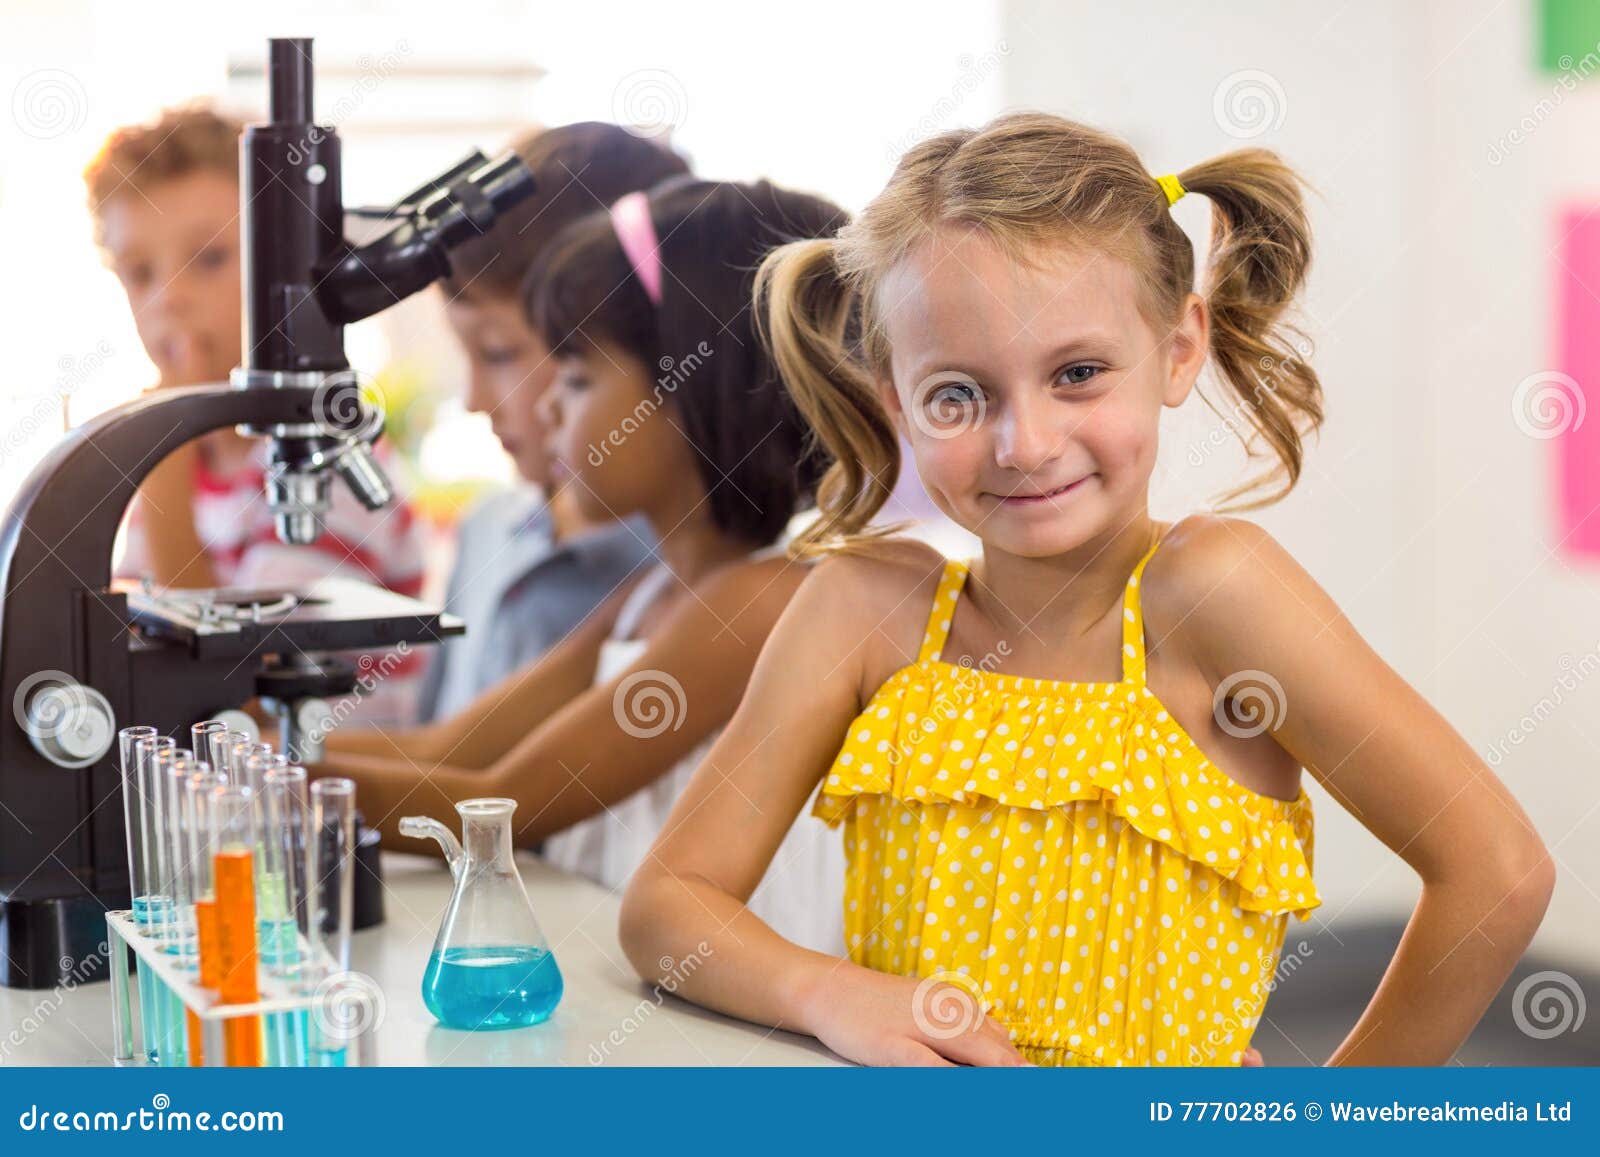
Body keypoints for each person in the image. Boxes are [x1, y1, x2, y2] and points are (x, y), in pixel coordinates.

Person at [617, 112, 1555, 1066]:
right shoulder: (864, 610)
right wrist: (828, 991)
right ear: (894, 397)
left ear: (1179, 347)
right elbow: (666, 904)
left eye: (1077, 373)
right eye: (957, 394)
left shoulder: (1214, 597)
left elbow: (1497, 871)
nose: (1024, 443)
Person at [317, 177, 853, 955]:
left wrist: (268, 785)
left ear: (689, 393)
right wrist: (240, 738)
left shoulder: (763, 602)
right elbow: (453, 747)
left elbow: (503, 802)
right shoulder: (656, 591)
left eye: (576, 378)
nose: (544, 409)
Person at [89, 103, 426, 724]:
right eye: (140, 273)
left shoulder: (326, 463)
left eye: (212, 259)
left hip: (349, 789)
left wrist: (160, 448)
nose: (171, 299)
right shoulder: (183, 475)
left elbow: (235, 700)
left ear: (281, 261)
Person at [418, 122, 690, 722]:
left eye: (498, 354)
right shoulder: (485, 529)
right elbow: (430, 748)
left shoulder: (686, 576)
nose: (473, 401)